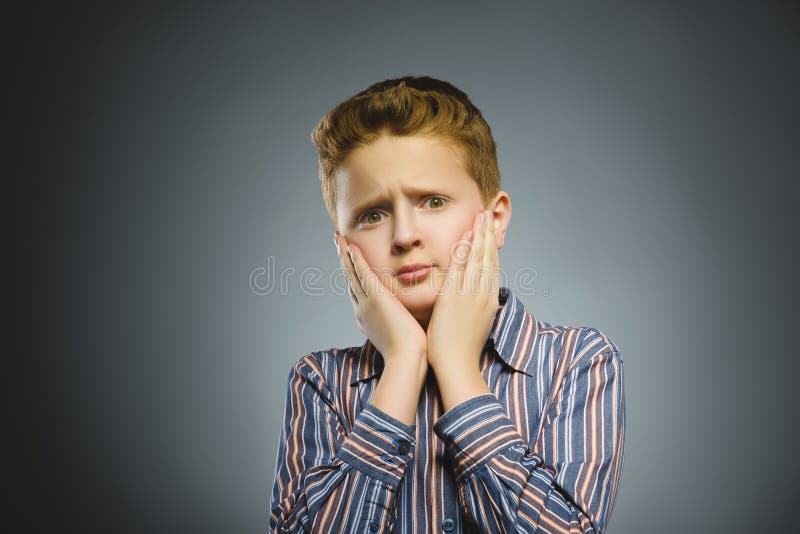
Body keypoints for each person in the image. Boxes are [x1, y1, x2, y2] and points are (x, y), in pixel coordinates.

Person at [269, 76, 625, 533]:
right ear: (343, 249)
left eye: (433, 201)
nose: (403, 236)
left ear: (493, 221)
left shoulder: (578, 363)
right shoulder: (320, 382)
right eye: (372, 215)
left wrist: (455, 363)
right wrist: (401, 363)